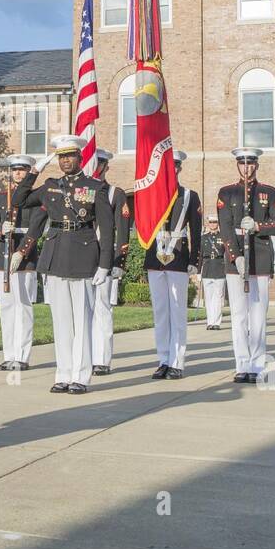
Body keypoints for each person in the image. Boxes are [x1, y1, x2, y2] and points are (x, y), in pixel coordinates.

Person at [12, 135, 113, 394]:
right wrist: (35, 171)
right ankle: (63, 374)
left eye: (70, 156)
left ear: (80, 158)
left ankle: (80, 376)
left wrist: (104, 264)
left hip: (83, 255)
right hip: (56, 255)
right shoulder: (50, 186)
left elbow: (107, 228)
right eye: (61, 156)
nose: (66, 160)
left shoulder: (95, 187)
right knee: (62, 321)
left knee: (82, 320)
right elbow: (18, 200)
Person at [217, 147, 275, 384]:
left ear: (256, 165)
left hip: (260, 259)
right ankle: (242, 364)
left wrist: (258, 226)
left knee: (258, 316)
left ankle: (257, 365)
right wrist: (235, 256)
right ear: (237, 165)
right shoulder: (226, 193)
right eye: (242, 164)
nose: (246, 168)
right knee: (239, 316)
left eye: (250, 164)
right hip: (235, 260)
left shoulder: (269, 192)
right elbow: (225, 226)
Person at [144, 149, 200, 380]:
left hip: (178, 257)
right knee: (160, 312)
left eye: (175, 166)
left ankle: (177, 361)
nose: (172, 169)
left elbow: (196, 231)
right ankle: (163, 359)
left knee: (177, 311)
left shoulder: (188, 195)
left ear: (179, 168)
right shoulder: (150, 193)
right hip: (154, 258)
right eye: (168, 166)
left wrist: (195, 260)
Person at [0, 155, 39, 371]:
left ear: (28, 172)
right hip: (3, 257)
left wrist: (21, 251)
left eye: (22, 170)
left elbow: (36, 227)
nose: (18, 173)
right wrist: (0, 231)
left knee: (23, 306)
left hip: (24, 258)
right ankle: (9, 354)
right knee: (6, 307)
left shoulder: (35, 197)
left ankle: (22, 355)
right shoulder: (1, 197)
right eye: (15, 170)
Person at [91, 149, 132, 375]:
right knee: (82, 312)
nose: (96, 169)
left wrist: (119, 261)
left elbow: (122, 231)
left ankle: (102, 359)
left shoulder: (115, 193)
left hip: (103, 259)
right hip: (80, 259)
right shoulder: (80, 190)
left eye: (100, 165)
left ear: (106, 167)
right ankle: (84, 355)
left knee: (102, 309)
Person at [199, 214, 227, 330]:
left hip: (219, 268)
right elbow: (200, 255)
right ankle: (210, 322)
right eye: (211, 222)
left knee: (218, 297)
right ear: (208, 224)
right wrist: (197, 272)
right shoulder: (204, 238)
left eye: (215, 222)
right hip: (207, 269)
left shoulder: (223, 237)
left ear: (218, 223)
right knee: (209, 298)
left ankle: (216, 322)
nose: (213, 224)